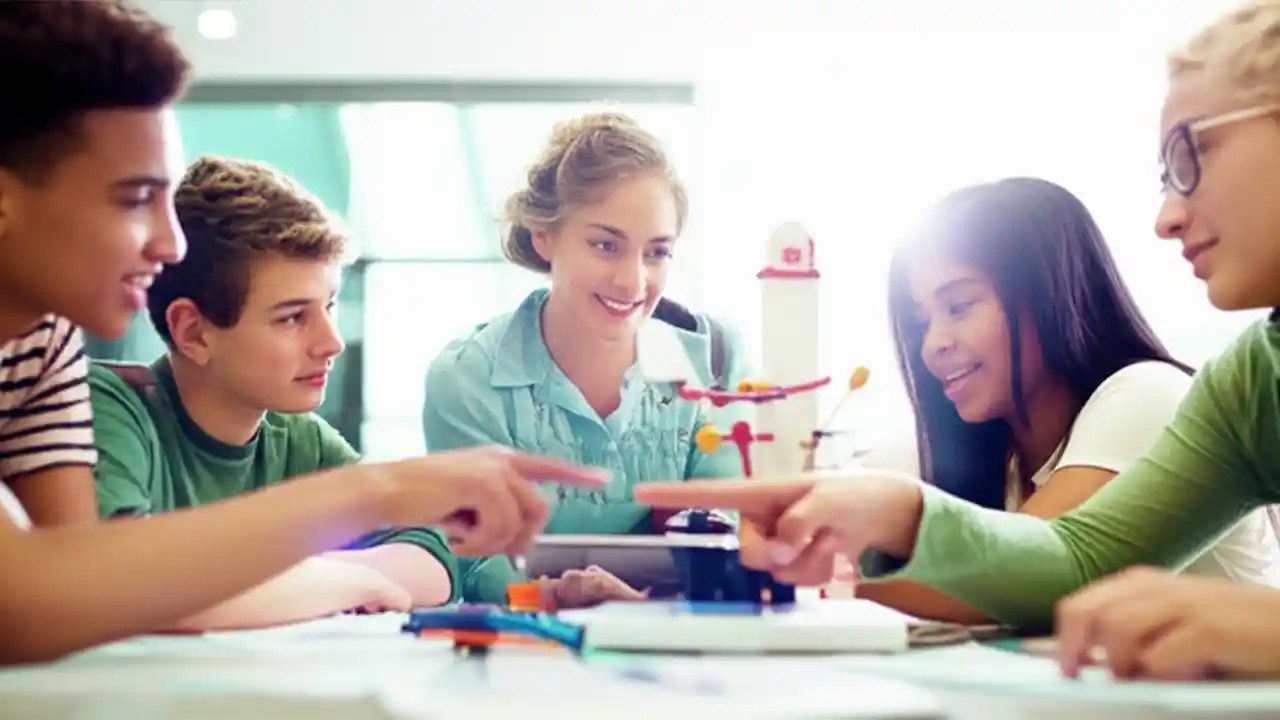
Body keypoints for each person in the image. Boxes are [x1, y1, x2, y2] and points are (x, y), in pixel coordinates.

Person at [637, 0, 1280, 680]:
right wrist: (899, 511)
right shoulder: (1250, 379)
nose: (1168, 216)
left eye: (1193, 153)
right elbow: (1078, 560)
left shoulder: (1148, 391)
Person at [0, 0, 603, 663]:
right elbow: (48, 597)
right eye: (134, 199)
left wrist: (362, 534)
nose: (169, 244)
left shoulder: (40, 343)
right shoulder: (108, 399)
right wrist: (366, 518)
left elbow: (75, 589)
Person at [847, 177, 1278, 623]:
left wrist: (823, 575)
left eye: (959, 307)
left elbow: (1042, 572)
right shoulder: (985, 453)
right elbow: (854, 492)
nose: (931, 344)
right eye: (921, 323)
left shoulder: (1147, 395)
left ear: (1050, 294)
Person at [88, 155, 459, 630]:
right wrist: (350, 584)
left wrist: (309, 578)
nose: (332, 343)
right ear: (194, 333)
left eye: (328, 306)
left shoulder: (297, 437)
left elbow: (434, 559)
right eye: (292, 317)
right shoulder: (108, 409)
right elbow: (122, 587)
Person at [423, 111, 749, 603]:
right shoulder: (468, 378)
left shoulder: (715, 363)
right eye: (605, 245)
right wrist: (558, 596)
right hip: (523, 651)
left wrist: (642, 603)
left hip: (679, 648)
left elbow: (730, 535)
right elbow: (473, 561)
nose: (633, 281)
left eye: (656, 253)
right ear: (544, 235)